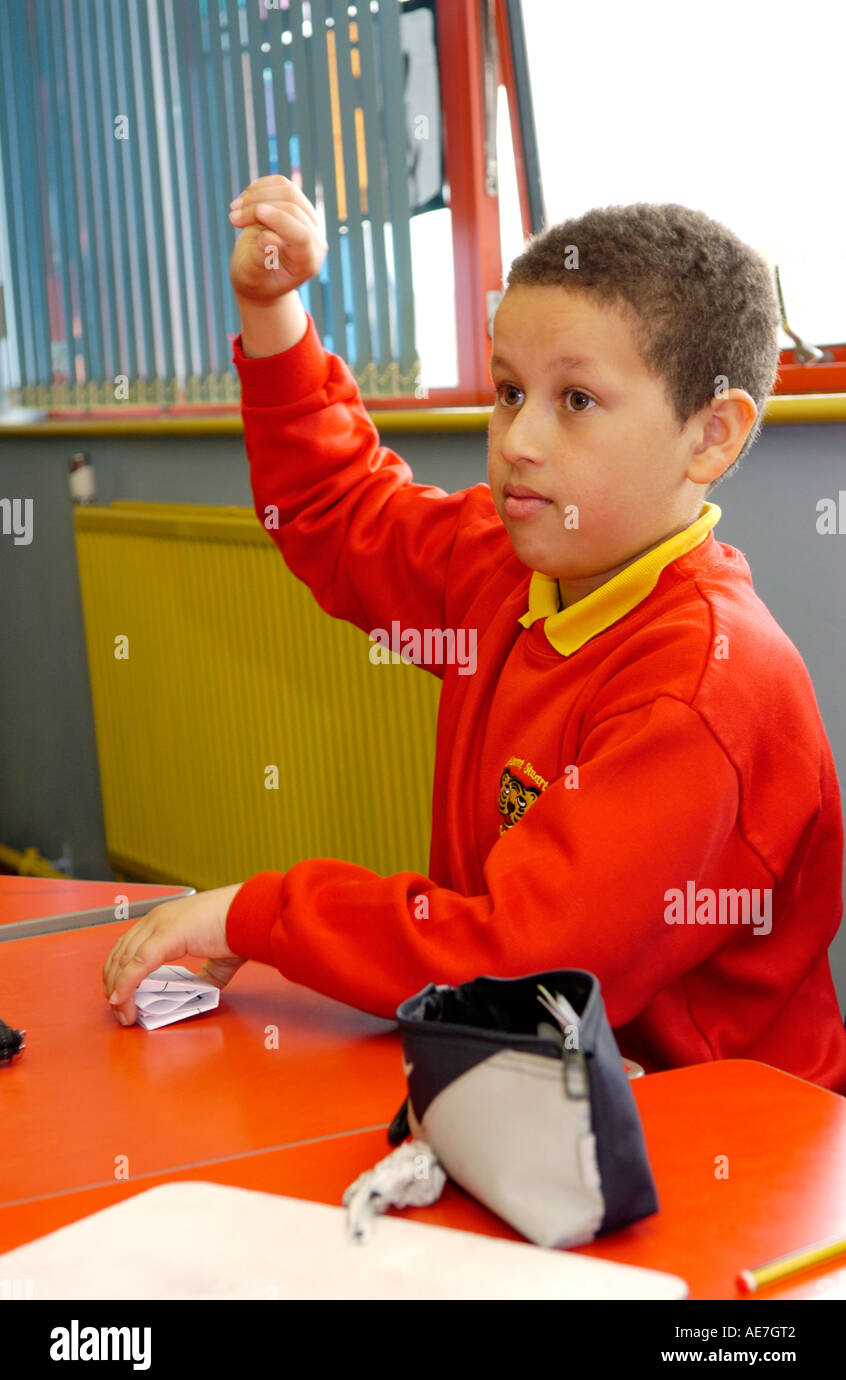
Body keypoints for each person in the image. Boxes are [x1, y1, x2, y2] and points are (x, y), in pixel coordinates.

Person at [103, 176, 846, 1095]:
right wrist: (271, 305)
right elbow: (337, 509)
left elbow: (521, 958)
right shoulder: (510, 567)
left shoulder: (705, 688)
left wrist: (254, 916)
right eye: (508, 390)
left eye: (576, 400)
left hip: (725, 1147)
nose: (519, 439)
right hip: (535, 1086)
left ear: (711, 436)